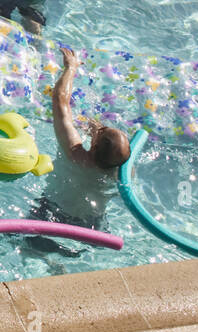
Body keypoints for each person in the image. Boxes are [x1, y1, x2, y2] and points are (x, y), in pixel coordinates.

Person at [27, 47, 131, 257]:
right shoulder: (121, 172)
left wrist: (71, 68)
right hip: (91, 225)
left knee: (25, 244)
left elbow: (60, 101)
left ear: (93, 146)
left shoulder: (75, 154)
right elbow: (111, 152)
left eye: (99, 132)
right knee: (73, 253)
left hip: (53, 214)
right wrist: (99, 133)